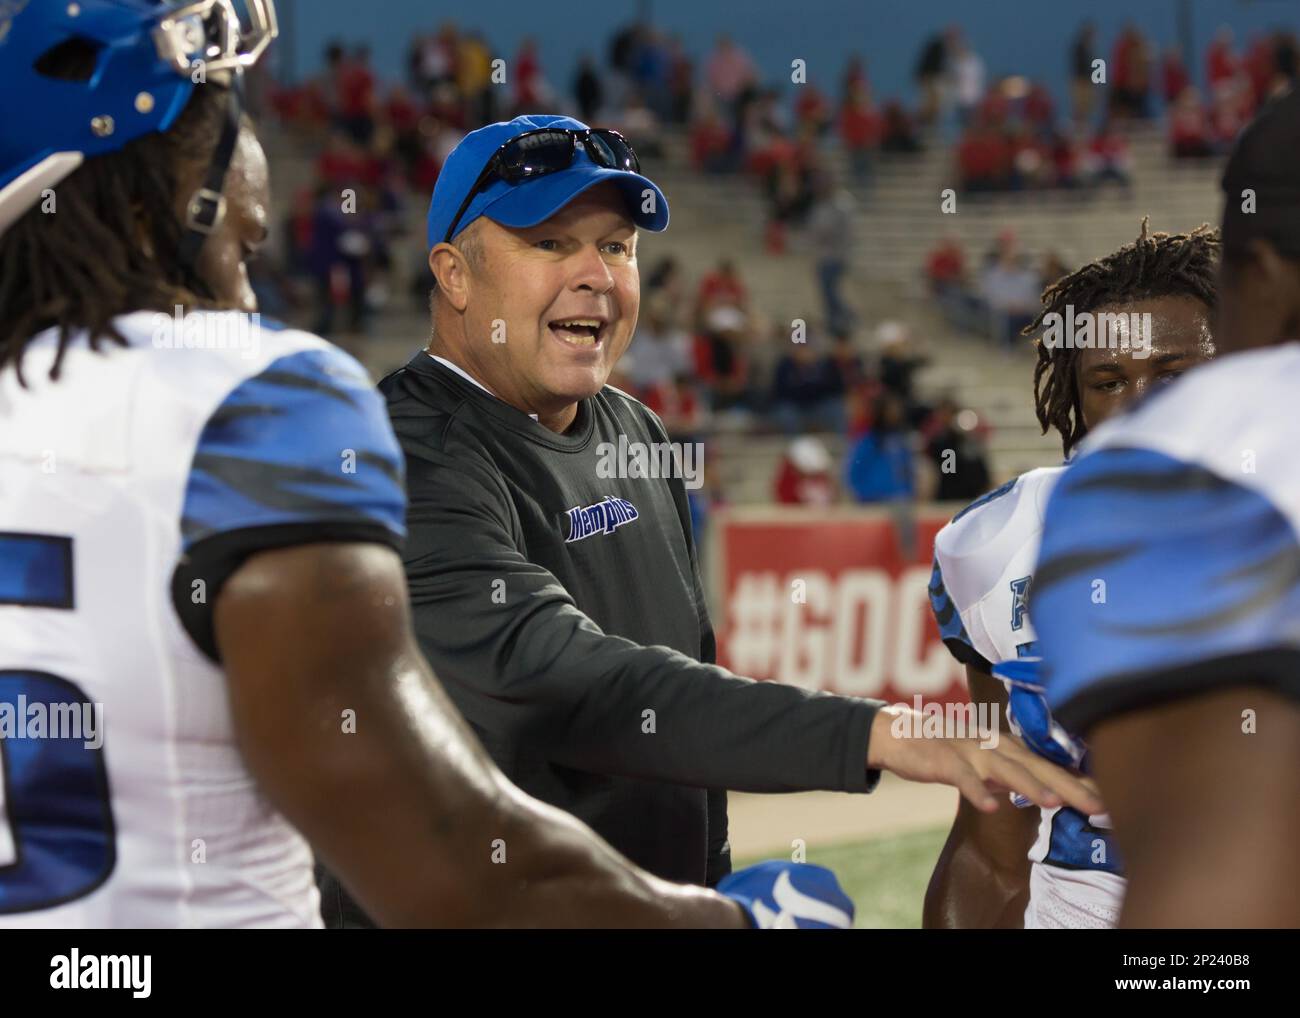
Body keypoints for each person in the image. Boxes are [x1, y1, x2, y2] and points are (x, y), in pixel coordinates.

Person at [0, 0, 848, 930]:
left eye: (616, 246)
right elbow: (454, 849)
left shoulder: (637, 433)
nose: (247, 294)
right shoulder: (268, 407)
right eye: (244, 248)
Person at [332, 113, 1105, 926]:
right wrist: (871, 732)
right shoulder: (399, 455)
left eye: (618, 246)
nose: (597, 274)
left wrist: (714, 888)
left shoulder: (635, 432)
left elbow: (679, 691)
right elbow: (563, 683)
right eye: (552, 244)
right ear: (455, 275)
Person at [1032, 88, 1300, 928]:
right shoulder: (984, 540)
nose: (1141, 403)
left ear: (1250, 274)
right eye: (1107, 381)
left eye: (1172, 376)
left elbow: (1206, 932)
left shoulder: (1193, 466)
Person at [925, 220, 1220, 928]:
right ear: (1077, 403)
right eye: (1110, 381)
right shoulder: (996, 550)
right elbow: (992, 846)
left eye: (1175, 376)